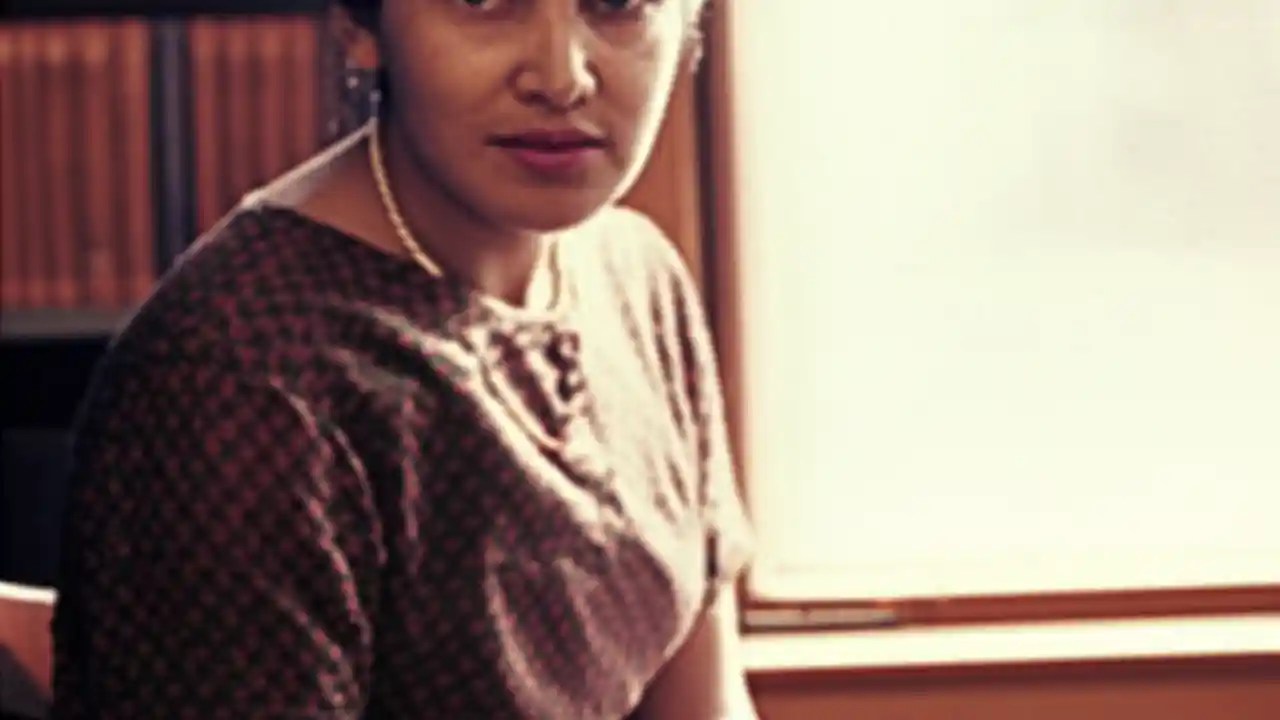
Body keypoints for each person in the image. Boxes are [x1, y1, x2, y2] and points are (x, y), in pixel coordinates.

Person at [50, 0, 758, 718]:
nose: (561, 76)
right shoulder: (241, 372)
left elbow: (706, 704)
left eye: (619, 4)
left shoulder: (638, 277)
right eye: (486, 4)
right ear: (361, 28)